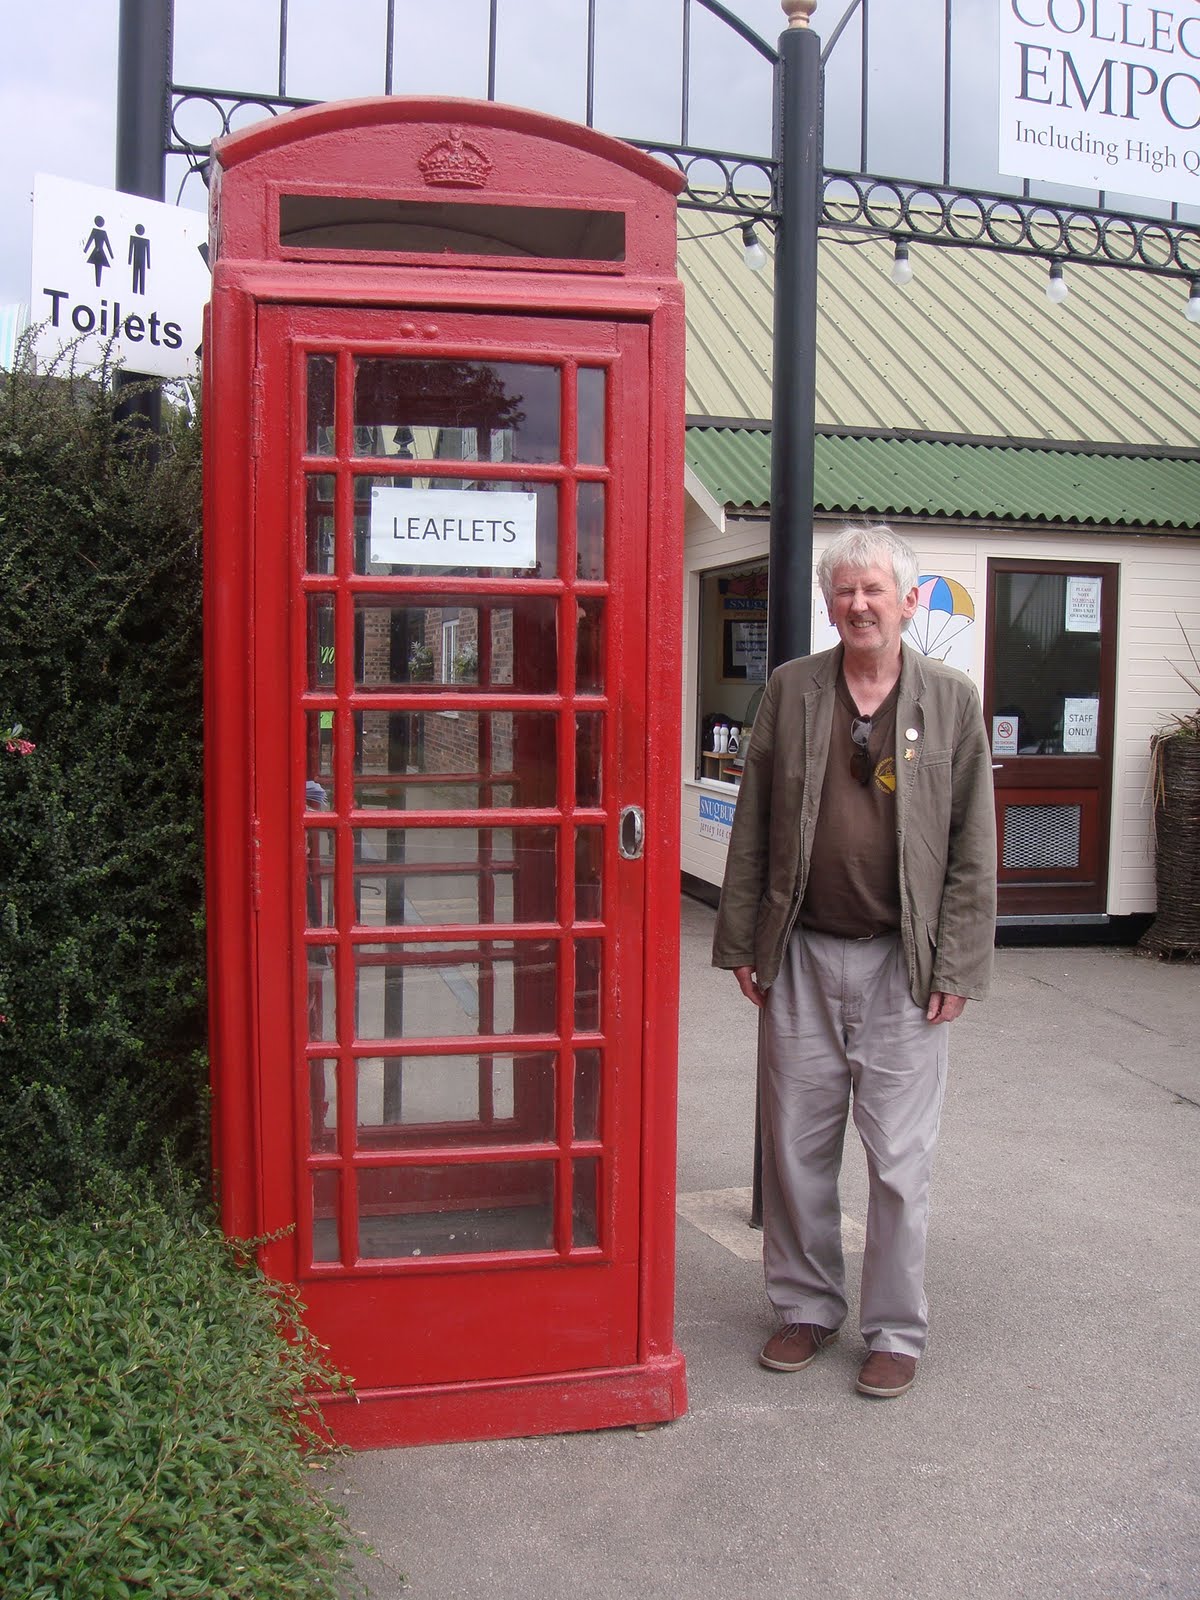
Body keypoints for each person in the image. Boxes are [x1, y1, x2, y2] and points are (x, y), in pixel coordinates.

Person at [712, 524, 996, 1399]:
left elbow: (972, 844)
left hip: (902, 966)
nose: (859, 604)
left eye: (876, 590)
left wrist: (957, 965)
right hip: (799, 952)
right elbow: (753, 818)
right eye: (845, 591)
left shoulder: (950, 700)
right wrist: (742, 943)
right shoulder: (792, 692)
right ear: (829, 604)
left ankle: (895, 1331)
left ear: (909, 603)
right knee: (795, 1152)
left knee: (899, 1162)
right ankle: (804, 1307)